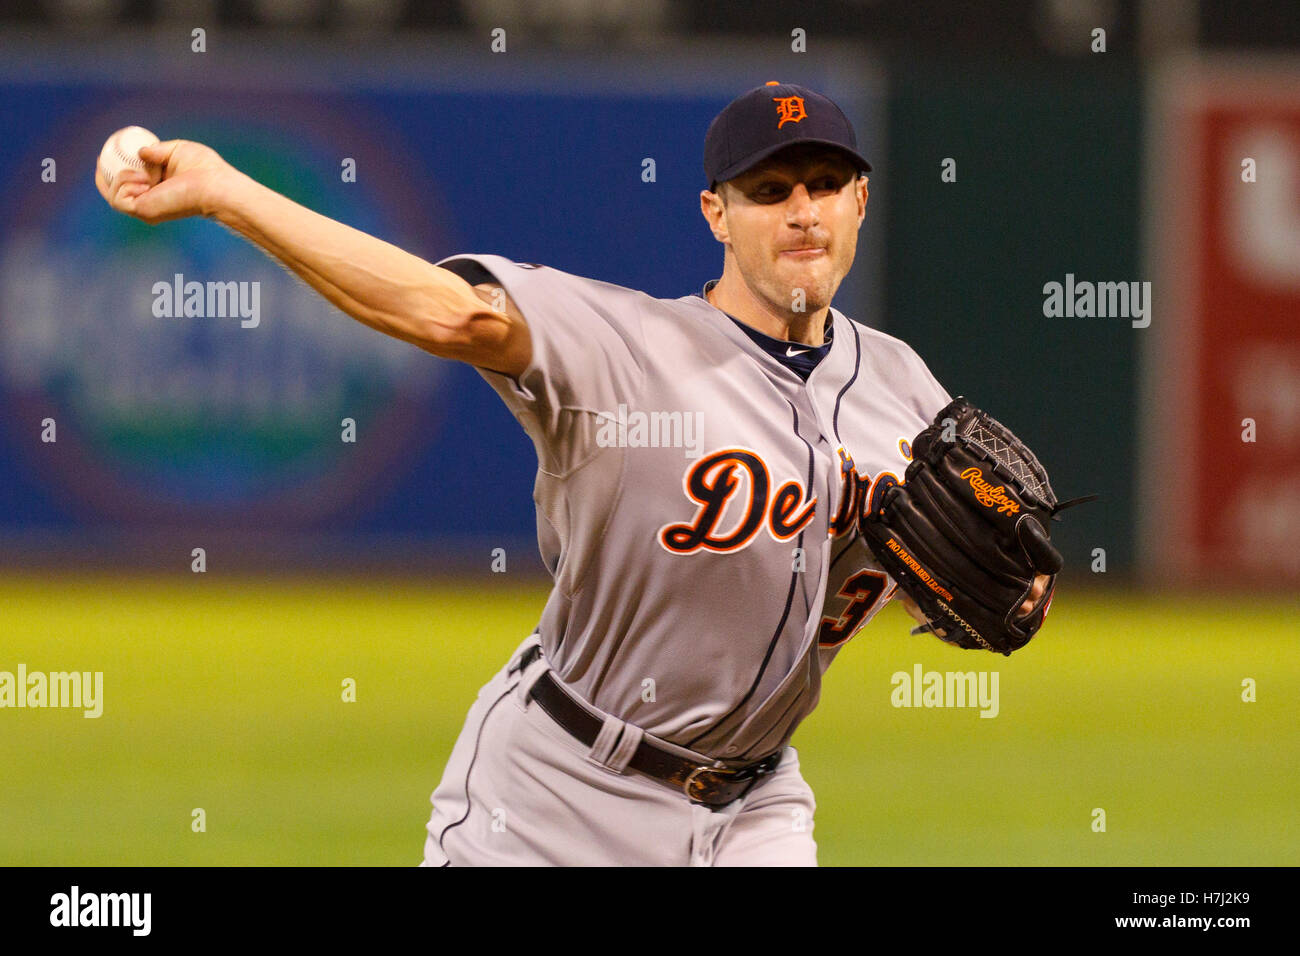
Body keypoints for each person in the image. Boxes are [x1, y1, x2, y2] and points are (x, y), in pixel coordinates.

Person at [97, 81, 1047, 866]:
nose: (802, 211)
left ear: (860, 202)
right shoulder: (623, 346)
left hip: (756, 807)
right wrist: (226, 191)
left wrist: (1022, 590)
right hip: (556, 796)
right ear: (716, 213)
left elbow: (981, 565)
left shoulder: (906, 389)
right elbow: (451, 313)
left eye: (826, 183)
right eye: (770, 191)